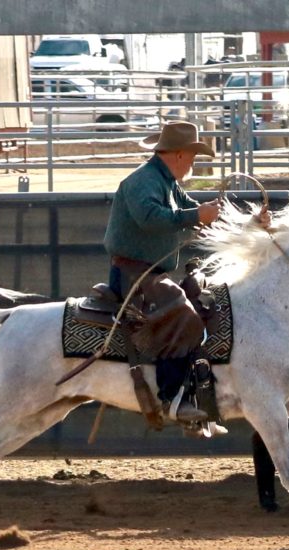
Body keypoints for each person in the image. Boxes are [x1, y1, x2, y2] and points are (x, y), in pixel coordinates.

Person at [103, 121, 222, 424]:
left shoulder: (165, 181)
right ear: (180, 155)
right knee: (184, 317)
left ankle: (188, 391)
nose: (193, 163)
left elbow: (194, 210)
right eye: (193, 157)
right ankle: (171, 399)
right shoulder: (145, 182)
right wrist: (197, 215)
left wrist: (245, 221)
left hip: (149, 274)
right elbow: (150, 217)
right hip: (135, 277)